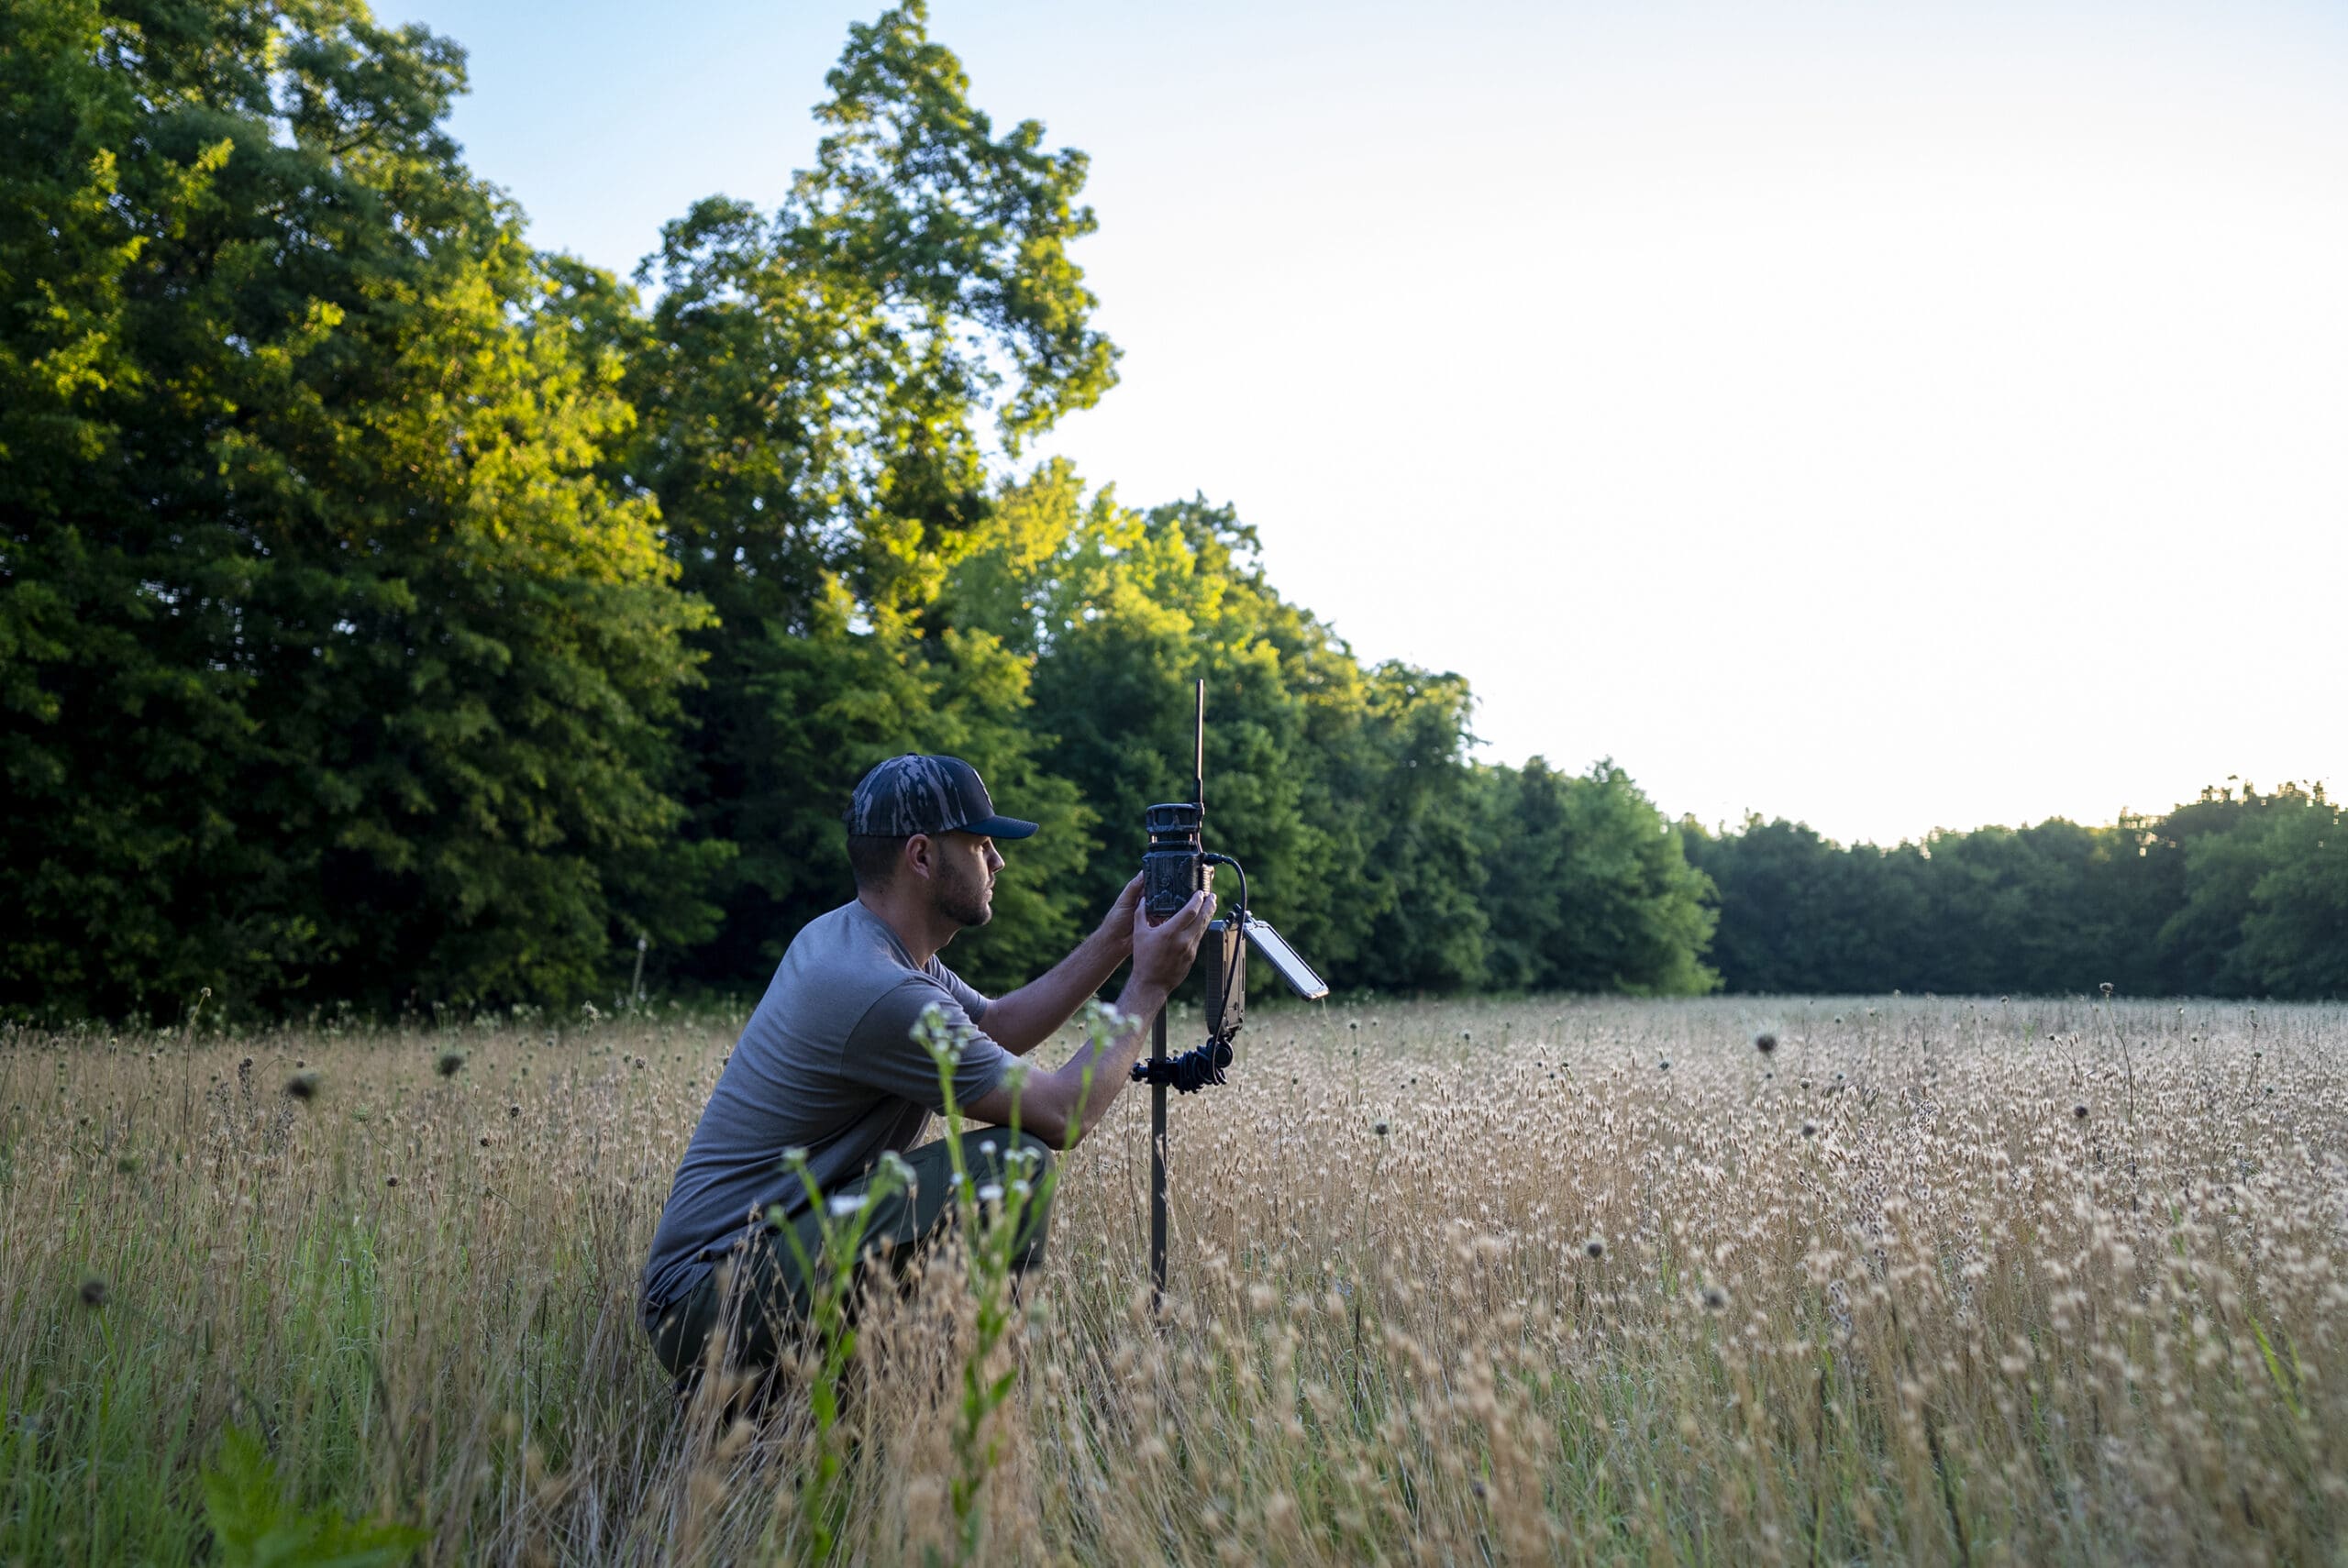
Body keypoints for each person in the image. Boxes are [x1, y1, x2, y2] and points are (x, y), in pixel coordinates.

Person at [640, 753, 1215, 1378]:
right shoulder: (876, 986)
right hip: (706, 1301)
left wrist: (1116, 937)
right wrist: (1148, 988)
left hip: (736, 1272)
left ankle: (848, 1399)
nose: (998, 861)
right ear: (922, 856)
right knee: (1014, 1166)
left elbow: (998, 1025)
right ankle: (960, 1408)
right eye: (980, 845)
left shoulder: (866, 941)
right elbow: (1059, 1115)